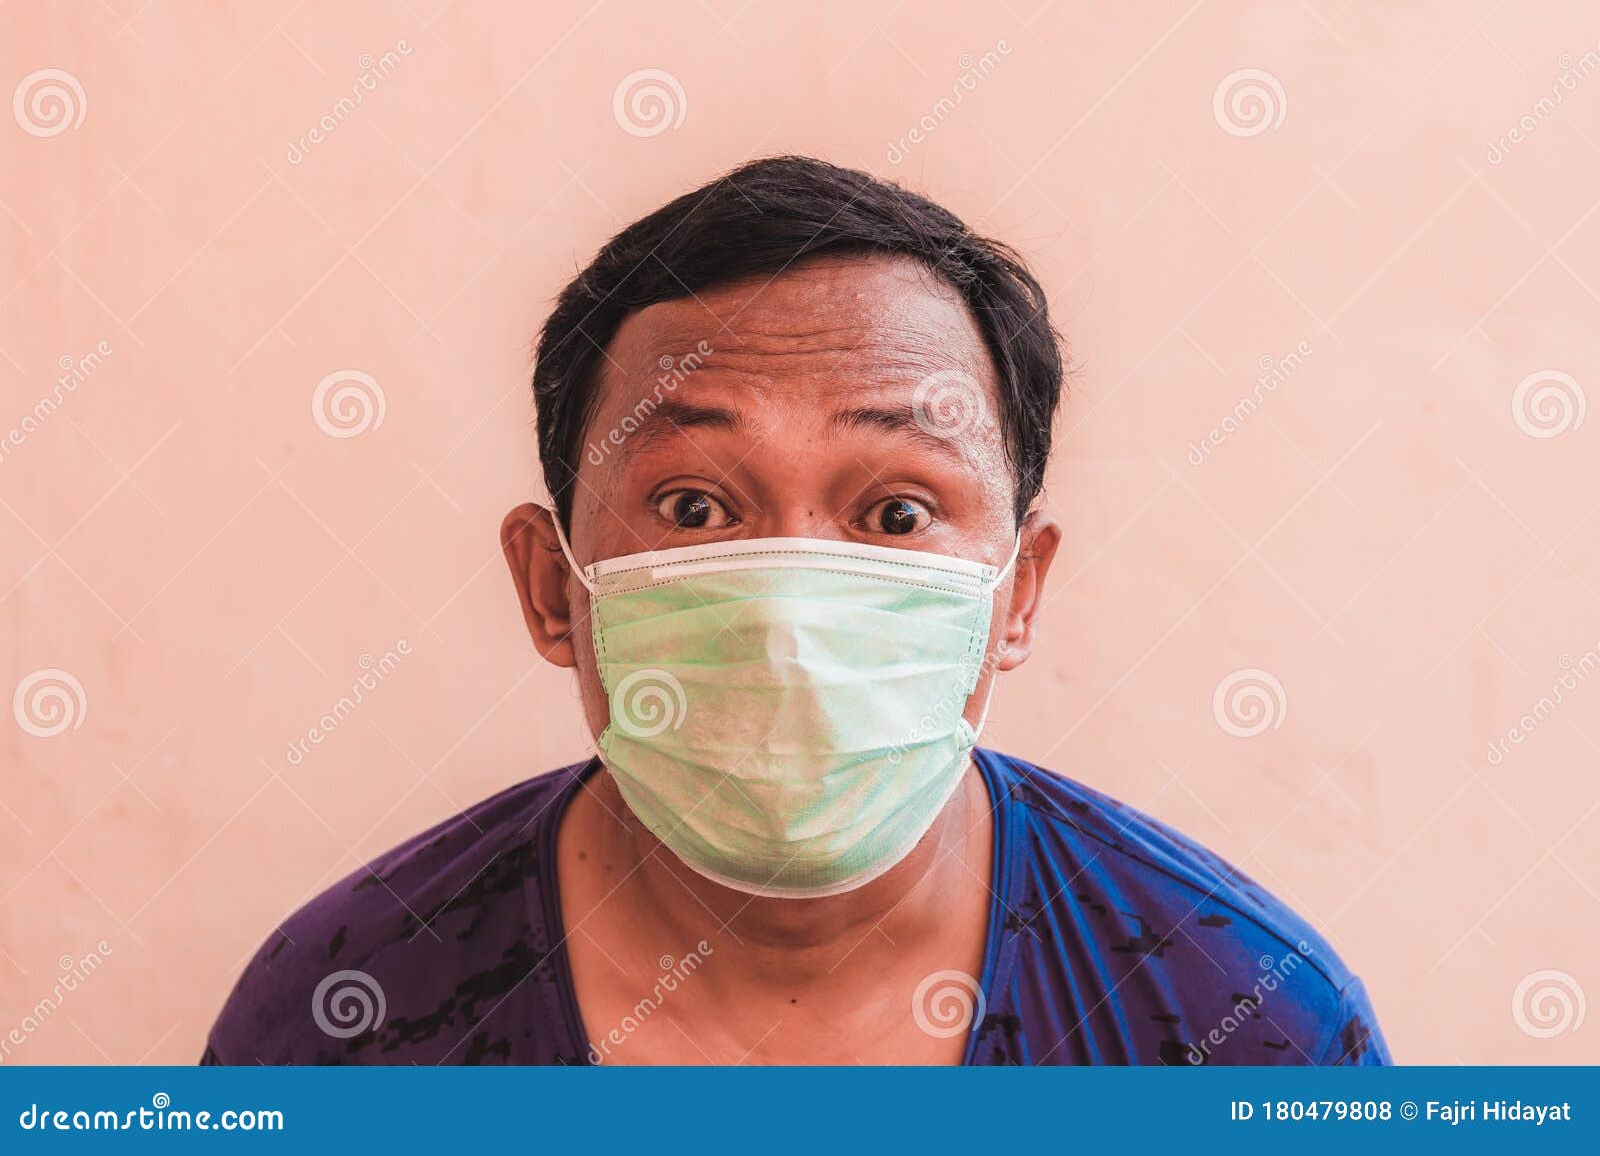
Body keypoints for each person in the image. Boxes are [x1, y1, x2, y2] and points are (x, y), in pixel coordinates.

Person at [203, 156, 1388, 1066]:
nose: (784, 611)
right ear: (551, 585)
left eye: (894, 515)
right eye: (694, 504)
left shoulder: (1237, 1017)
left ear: (1015, 593)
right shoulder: (342, 1010)